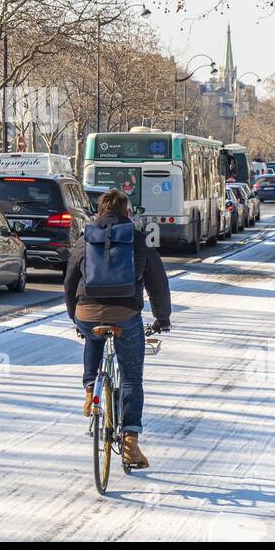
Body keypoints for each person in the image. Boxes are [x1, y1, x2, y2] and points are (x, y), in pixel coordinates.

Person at [64, 187, 171, 470]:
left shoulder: (85, 238)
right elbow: (158, 284)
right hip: (126, 315)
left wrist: (74, 316)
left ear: (99, 211)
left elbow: (69, 281)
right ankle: (130, 444)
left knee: (92, 336)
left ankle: (90, 390)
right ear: (127, 213)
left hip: (87, 312)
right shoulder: (139, 240)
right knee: (132, 378)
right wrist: (162, 318)